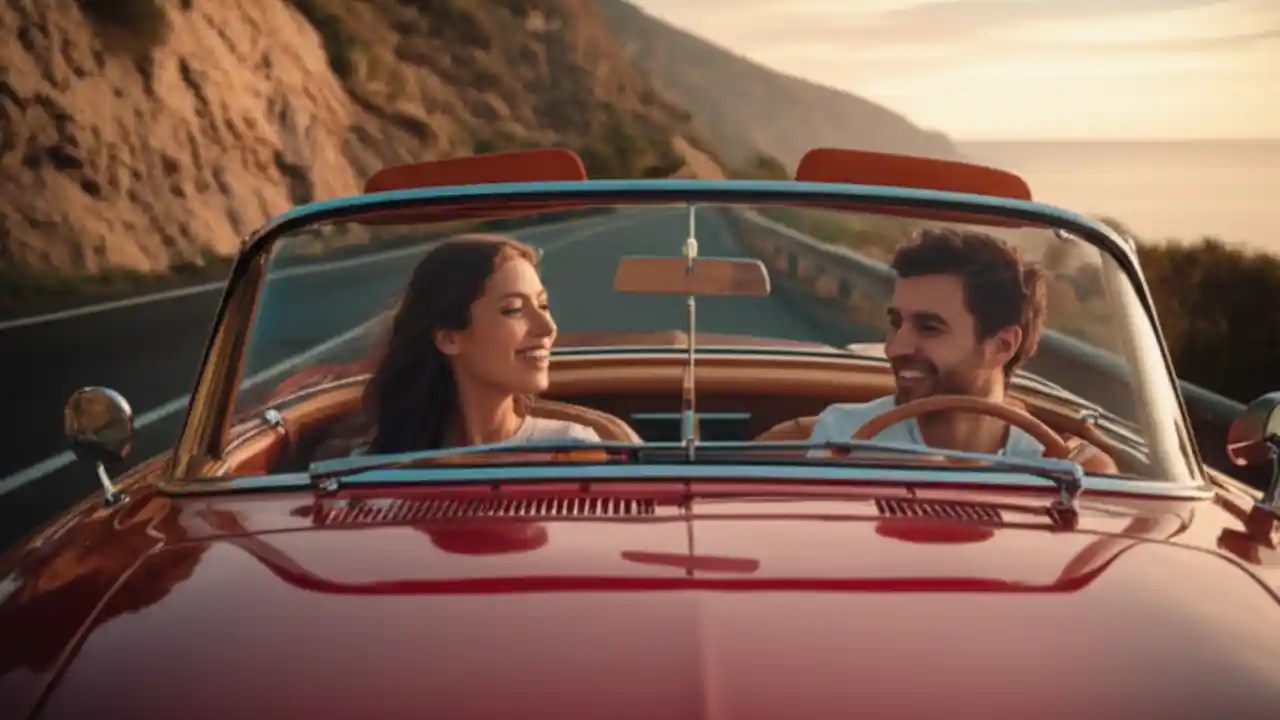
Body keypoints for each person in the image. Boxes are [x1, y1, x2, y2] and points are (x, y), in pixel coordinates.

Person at [808, 228, 1049, 458]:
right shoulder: (843, 436)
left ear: (1002, 346)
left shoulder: (1049, 464)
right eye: (896, 323)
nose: (894, 348)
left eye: (929, 328)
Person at [361, 234, 599, 454]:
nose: (548, 327)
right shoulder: (376, 470)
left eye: (543, 305)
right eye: (514, 310)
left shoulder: (572, 450)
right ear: (449, 338)